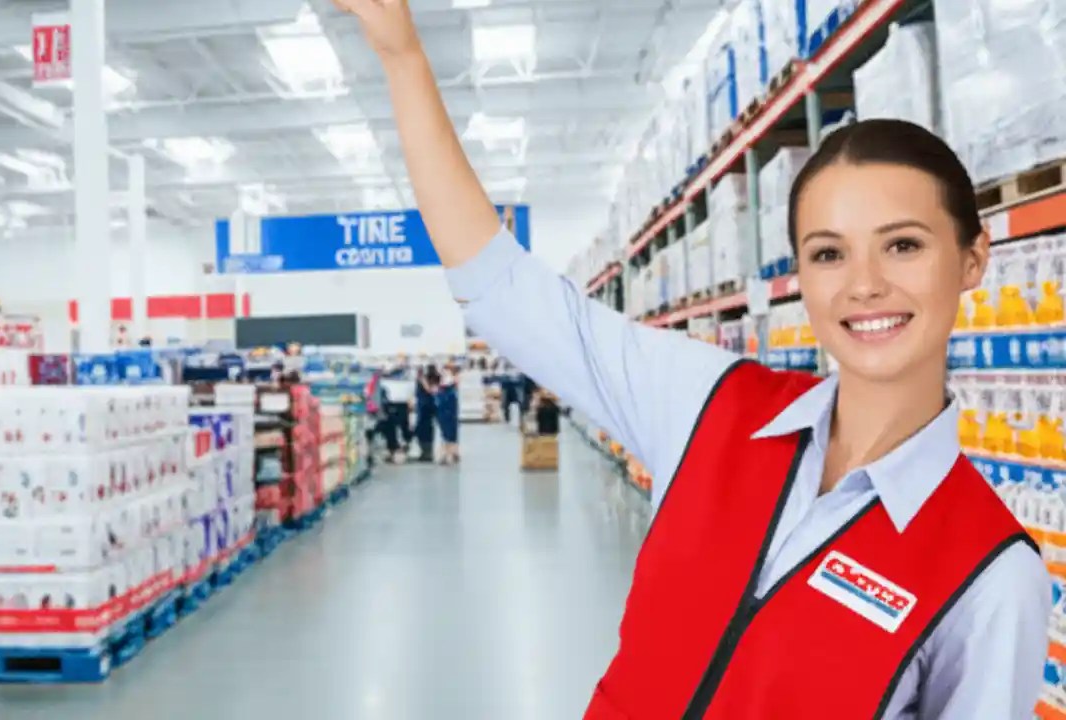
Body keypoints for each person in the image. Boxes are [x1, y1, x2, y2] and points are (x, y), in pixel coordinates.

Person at [336, 3, 1049, 718]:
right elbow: (503, 290)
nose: (864, 284)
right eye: (829, 253)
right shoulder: (713, 405)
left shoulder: (989, 570)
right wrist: (402, 57)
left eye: (903, 245)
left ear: (972, 259)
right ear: (800, 273)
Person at [435, 362, 461, 464]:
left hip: (449, 408)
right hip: (443, 408)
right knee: (445, 431)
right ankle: (449, 453)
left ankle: (449, 454)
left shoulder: (451, 382)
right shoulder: (441, 382)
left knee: (450, 431)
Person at [414, 364, 439, 462]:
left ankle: (426, 452)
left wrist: (422, 380)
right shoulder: (432, 379)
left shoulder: (425, 380)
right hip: (426, 406)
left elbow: (430, 390)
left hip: (425, 407)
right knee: (426, 429)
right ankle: (426, 451)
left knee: (423, 429)